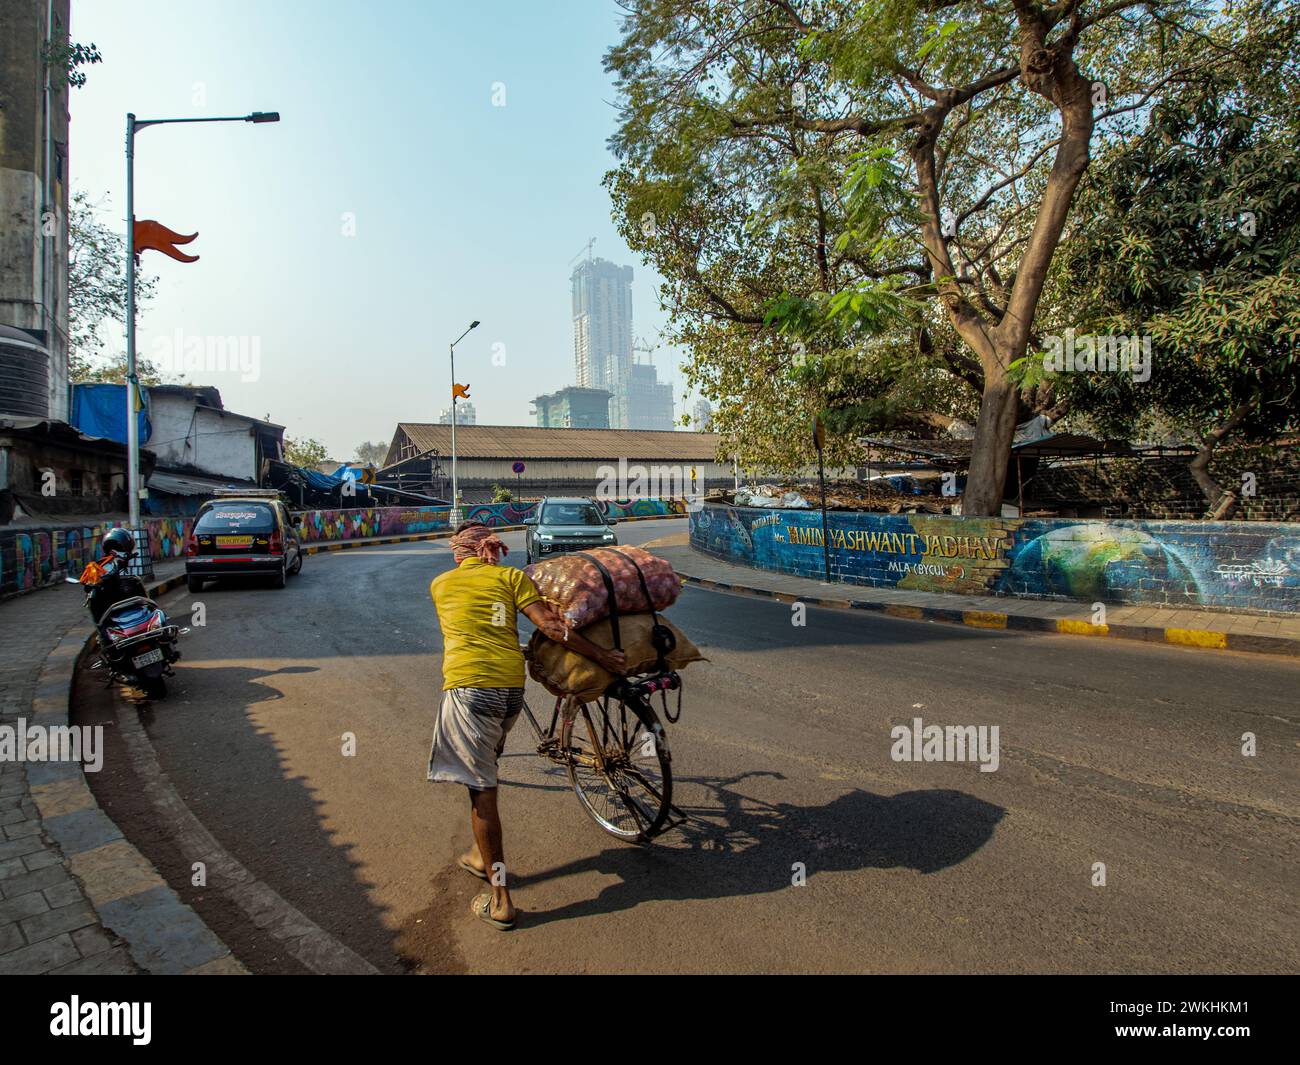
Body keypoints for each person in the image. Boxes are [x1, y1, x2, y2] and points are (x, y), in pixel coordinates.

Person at [427, 521, 625, 930]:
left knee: (482, 791)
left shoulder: (441, 585)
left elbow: (473, 623)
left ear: (459, 554)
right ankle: (481, 857)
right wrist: (602, 655)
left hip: (470, 690)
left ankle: (500, 900)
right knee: (487, 766)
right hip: (510, 693)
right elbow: (552, 627)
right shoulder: (512, 577)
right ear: (491, 550)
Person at [81, 528, 149, 625]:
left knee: (135, 580)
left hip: (113, 604)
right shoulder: (103, 565)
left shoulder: (102, 563)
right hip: (111, 603)